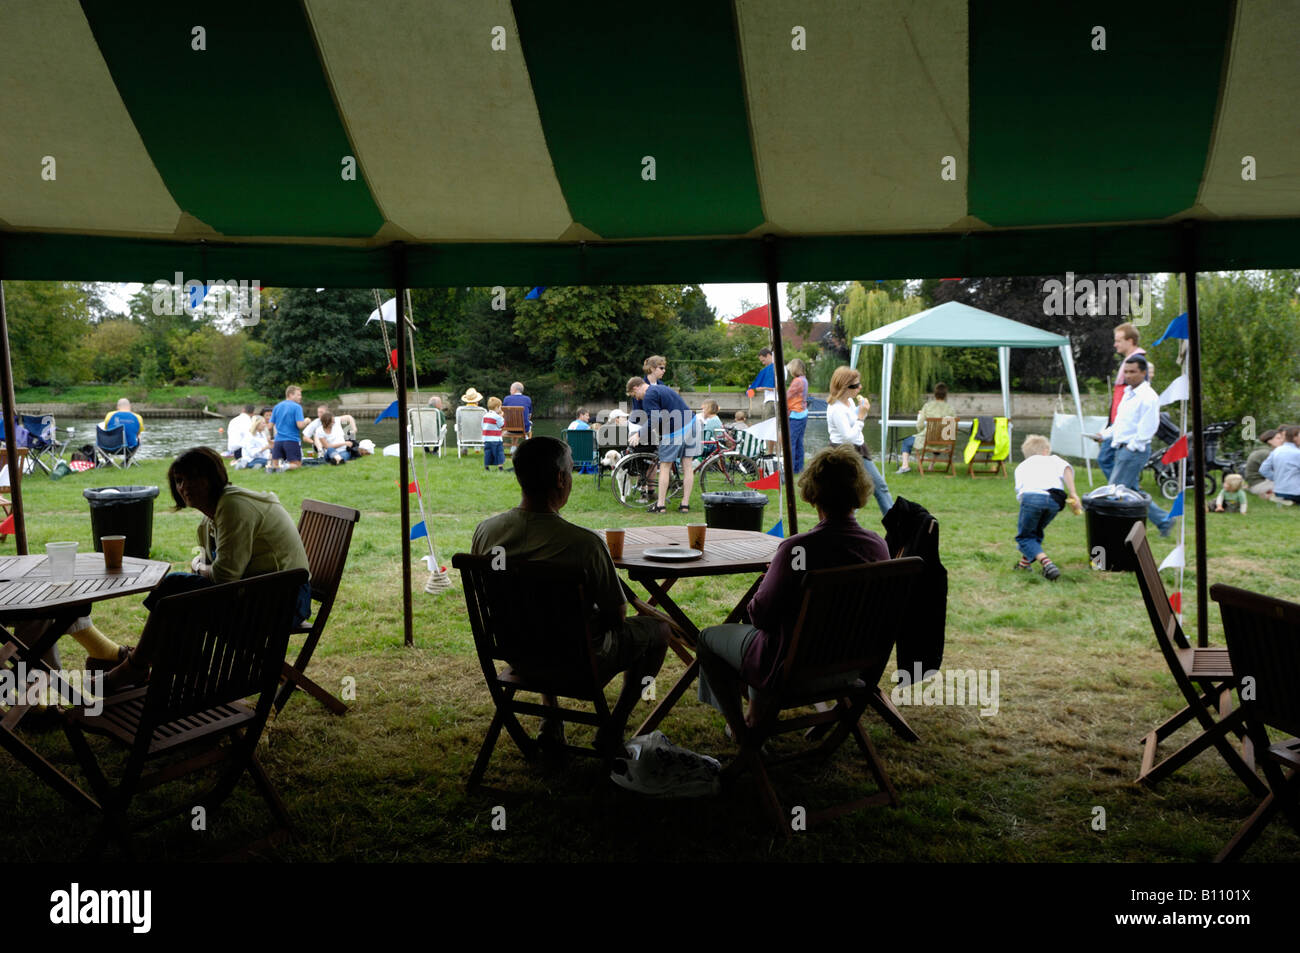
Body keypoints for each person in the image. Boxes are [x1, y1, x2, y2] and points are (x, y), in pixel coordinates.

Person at [470, 436, 668, 755]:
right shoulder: (584, 545)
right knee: (659, 630)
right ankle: (612, 729)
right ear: (561, 478)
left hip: (517, 652)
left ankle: (551, 719)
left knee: (542, 624)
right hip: (576, 661)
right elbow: (617, 617)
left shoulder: (486, 532)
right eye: (571, 471)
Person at [694, 445, 890, 728]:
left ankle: (741, 730)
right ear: (859, 490)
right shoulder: (877, 546)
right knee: (767, 639)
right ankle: (756, 718)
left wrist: (771, 577)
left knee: (708, 639)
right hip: (852, 666)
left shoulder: (798, 550)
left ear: (813, 493)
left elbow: (761, 616)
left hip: (792, 667)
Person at [102, 447, 311, 691]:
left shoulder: (234, 506)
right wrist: (201, 570)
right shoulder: (212, 518)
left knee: (175, 587)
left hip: (283, 604)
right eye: (179, 480)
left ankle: (137, 667)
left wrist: (197, 567)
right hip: (260, 596)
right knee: (182, 598)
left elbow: (223, 576)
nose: (185, 486)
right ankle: (182, 678)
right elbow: (220, 572)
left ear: (213, 477)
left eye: (194, 477)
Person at [1101, 355, 1175, 535]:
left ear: (1143, 373)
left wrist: (1132, 447)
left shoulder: (1148, 397)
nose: (1128, 375)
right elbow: (1121, 423)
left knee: (1114, 492)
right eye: (1126, 372)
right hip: (1121, 447)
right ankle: (1164, 521)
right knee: (1132, 492)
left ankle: (1111, 531)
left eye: (1132, 372)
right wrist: (1104, 435)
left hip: (1132, 451)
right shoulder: (1128, 394)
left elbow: (1149, 427)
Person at [825, 366, 893, 518]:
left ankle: (896, 526)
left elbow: (853, 423)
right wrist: (862, 416)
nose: (859, 387)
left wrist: (861, 412)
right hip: (845, 452)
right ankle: (847, 528)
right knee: (860, 492)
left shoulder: (849, 401)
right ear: (844, 387)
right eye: (855, 385)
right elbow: (848, 436)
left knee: (864, 490)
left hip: (858, 449)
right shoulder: (836, 409)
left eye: (859, 384)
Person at [627, 376, 701, 513]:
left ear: (636, 387)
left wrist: (638, 434)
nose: (637, 398)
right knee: (687, 465)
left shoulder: (648, 395)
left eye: (634, 395)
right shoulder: (662, 388)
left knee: (665, 465)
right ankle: (685, 504)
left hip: (676, 430)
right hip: (692, 423)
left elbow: (654, 419)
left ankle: (660, 505)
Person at [1012, 435, 1081, 580]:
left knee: (1024, 537)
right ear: (1045, 450)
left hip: (1032, 498)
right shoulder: (1054, 460)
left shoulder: (1022, 466)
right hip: (1055, 501)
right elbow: (1067, 469)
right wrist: (1073, 493)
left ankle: (1047, 563)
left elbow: (1020, 491)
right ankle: (1023, 565)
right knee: (1035, 532)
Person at [1096, 323, 1152, 480]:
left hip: (1125, 426)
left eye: (1119, 340)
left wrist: (1129, 438)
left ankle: (1120, 488)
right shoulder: (1130, 362)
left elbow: (1137, 397)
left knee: (1106, 460)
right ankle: (1124, 486)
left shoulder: (1136, 363)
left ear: (1131, 341)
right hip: (1117, 423)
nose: (1115, 344)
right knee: (1110, 463)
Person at [898, 383, 953, 474]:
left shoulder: (928, 406)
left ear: (935, 394)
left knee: (906, 441)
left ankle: (905, 466)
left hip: (927, 439)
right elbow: (952, 426)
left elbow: (919, 425)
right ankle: (931, 465)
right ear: (946, 395)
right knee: (938, 439)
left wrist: (920, 431)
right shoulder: (950, 408)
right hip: (944, 442)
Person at [269, 385, 310, 471]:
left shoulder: (277, 407)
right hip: (292, 440)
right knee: (297, 464)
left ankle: (272, 467)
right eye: (298, 395)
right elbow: (300, 425)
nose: (300, 397)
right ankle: (284, 467)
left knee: (275, 464)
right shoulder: (297, 407)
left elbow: (270, 426)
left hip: (278, 441)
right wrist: (306, 421)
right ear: (290, 395)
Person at [1260, 425, 1300, 504]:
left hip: (1279, 492)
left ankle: (1283, 500)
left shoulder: (1276, 451)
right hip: (1295, 493)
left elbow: (1263, 470)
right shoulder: (1297, 453)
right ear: (1294, 437)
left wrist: (1278, 478)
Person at [1244, 428, 1284, 499]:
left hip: (1257, 482)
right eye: (1278, 438)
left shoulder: (1266, 450)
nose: (1282, 440)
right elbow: (1279, 472)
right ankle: (1268, 495)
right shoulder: (1266, 453)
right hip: (1258, 484)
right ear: (1270, 441)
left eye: (1282, 438)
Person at [785, 358, 810, 474]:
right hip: (803, 414)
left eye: (790, 369)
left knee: (791, 443)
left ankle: (790, 468)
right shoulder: (804, 380)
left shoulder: (797, 381)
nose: (790, 372)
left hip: (796, 415)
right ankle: (799, 468)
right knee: (799, 442)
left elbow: (787, 395)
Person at [747, 347, 776, 419]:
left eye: (763, 360)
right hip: (768, 401)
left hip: (772, 401)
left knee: (767, 425)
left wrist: (763, 387)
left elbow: (778, 388)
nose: (763, 363)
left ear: (769, 356)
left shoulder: (775, 368)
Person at [482, 397, 506, 471]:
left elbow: (482, 425)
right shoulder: (497, 417)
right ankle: (500, 467)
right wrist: (501, 417)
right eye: (500, 407)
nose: (500, 409)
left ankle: (486, 466)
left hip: (486, 439)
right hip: (496, 439)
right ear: (496, 407)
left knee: (487, 452)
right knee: (499, 452)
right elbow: (502, 425)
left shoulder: (485, 416)